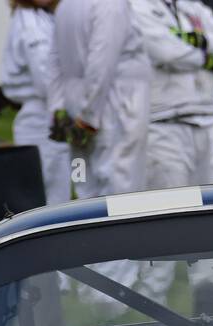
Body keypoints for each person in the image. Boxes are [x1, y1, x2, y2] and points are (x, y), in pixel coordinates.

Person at [128, 0, 213, 306]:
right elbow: (165, 52)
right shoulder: (137, 7)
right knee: (166, 212)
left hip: (206, 119)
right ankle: (151, 297)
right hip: (163, 122)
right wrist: (210, 54)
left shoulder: (192, 8)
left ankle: (208, 292)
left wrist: (199, 43)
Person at [50, 0, 151, 200]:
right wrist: (88, 116)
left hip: (76, 106)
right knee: (122, 190)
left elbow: (53, 60)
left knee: (85, 186)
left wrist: (58, 107)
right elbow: (101, 61)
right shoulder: (111, 4)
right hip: (113, 108)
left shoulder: (64, 6)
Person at [1, 0, 70, 205]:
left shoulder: (44, 16)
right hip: (42, 115)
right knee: (46, 194)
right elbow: (46, 79)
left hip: (49, 111)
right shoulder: (30, 21)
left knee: (57, 188)